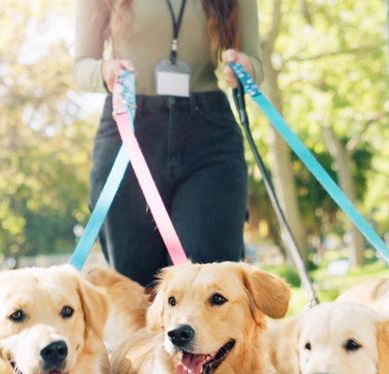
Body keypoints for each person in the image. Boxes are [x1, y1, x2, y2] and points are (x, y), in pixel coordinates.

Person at [74, 0, 263, 287]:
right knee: (135, 290)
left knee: (209, 285)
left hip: (208, 133)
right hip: (130, 126)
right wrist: (104, 70)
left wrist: (245, 67)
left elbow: (254, 62)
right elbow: (81, 67)